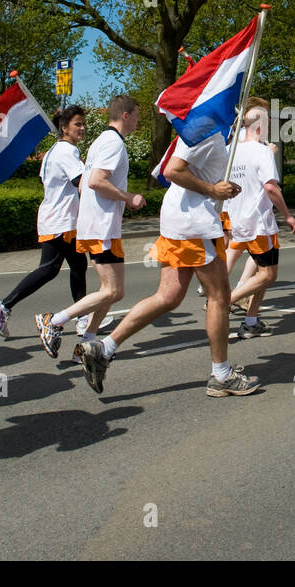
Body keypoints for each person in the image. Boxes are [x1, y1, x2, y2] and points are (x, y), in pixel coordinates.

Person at [75, 128, 258, 398]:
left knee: (168, 296)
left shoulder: (202, 129)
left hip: (181, 221)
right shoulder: (206, 130)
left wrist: (218, 187)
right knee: (220, 297)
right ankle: (221, 375)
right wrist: (213, 190)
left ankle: (104, 348)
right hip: (194, 225)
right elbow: (173, 171)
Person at [34, 96, 146, 356]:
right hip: (100, 227)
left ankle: (89, 339)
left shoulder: (103, 142)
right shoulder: (112, 143)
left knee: (114, 292)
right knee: (112, 290)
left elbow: (84, 184)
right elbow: (95, 181)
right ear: (126, 116)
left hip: (103, 225)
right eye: (137, 115)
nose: (139, 121)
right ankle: (54, 320)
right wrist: (128, 197)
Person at [0, 106, 90, 346]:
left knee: (78, 265)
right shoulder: (66, 151)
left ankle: (82, 317)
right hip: (60, 220)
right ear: (64, 128)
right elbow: (81, 182)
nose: (82, 128)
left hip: (59, 217)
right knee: (50, 268)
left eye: (83, 124)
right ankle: (4, 305)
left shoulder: (55, 150)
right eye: (77, 125)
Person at [225, 105, 295, 337]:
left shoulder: (229, 150)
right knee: (268, 275)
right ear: (260, 126)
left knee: (261, 272)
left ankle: (251, 321)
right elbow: (270, 187)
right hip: (258, 223)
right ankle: (224, 302)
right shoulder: (261, 151)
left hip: (235, 220)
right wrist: (287, 214)